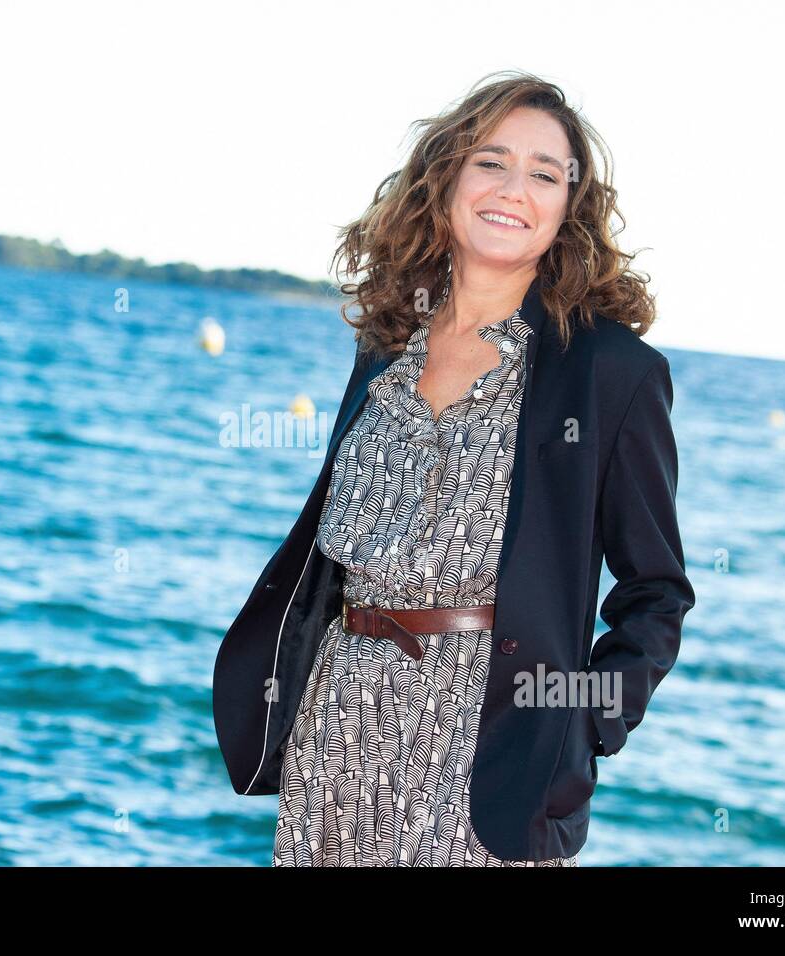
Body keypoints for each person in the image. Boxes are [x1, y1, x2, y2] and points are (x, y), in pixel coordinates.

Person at [212, 70, 695, 866]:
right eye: (491, 161)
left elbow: (657, 592)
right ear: (446, 180)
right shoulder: (386, 346)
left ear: (568, 207)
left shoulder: (609, 371)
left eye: (545, 173)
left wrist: (583, 722)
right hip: (336, 729)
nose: (515, 188)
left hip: (495, 751)